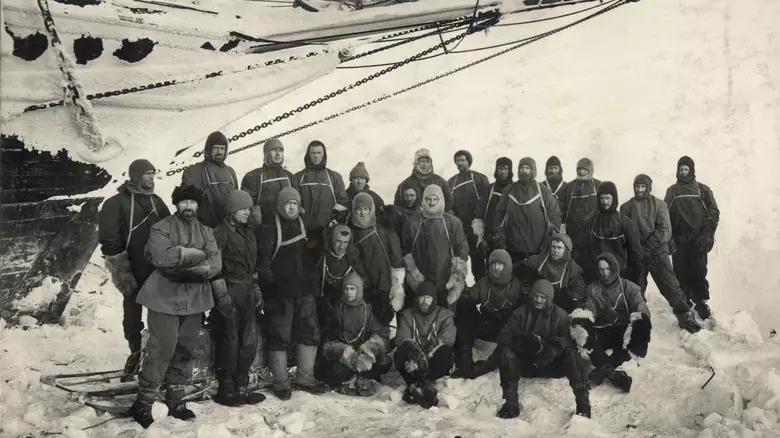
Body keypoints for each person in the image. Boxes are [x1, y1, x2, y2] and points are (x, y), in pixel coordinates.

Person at [129, 185, 224, 428]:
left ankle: (176, 400)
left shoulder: (206, 232)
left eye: (193, 202)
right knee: (161, 349)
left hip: (194, 300)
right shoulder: (161, 228)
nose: (189, 207)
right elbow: (162, 257)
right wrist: (196, 258)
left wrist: (182, 261)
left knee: (185, 349)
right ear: (176, 204)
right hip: (163, 297)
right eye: (184, 202)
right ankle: (143, 403)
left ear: (198, 205)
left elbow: (214, 264)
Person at [99, 159, 170, 378]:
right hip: (132, 268)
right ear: (136, 176)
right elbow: (109, 241)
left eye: (153, 173)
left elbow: (171, 230)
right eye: (147, 173)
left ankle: (156, 358)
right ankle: (135, 352)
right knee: (132, 312)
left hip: (156, 270)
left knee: (160, 314)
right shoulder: (115, 204)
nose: (151, 177)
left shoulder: (157, 202)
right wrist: (122, 270)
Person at [257, 187, 328, 400]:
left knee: (310, 331)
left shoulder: (304, 225)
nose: (291, 207)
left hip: (304, 289)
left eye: (295, 204)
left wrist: (313, 284)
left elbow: (314, 256)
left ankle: (305, 377)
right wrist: (271, 290)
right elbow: (264, 264)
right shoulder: (270, 228)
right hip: (281, 292)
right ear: (280, 205)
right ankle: (280, 382)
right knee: (280, 335)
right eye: (288, 203)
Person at [495, 279, 591, 419]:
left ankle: (583, 405)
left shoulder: (560, 315)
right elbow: (503, 336)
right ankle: (511, 403)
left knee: (572, 355)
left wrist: (551, 347)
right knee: (506, 353)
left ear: (549, 299)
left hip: (552, 364)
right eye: (536, 296)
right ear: (531, 296)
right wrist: (521, 342)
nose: (538, 300)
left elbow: (568, 341)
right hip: (527, 364)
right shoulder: (520, 313)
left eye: (543, 297)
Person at [620, 174, 701, 333]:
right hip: (636, 254)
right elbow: (625, 231)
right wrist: (636, 249)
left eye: (643, 187)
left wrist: (648, 246)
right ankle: (638, 318)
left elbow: (665, 230)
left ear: (649, 188)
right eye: (637, 186)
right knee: (635, 287)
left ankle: (685, 314)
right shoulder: (626, 208)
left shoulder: (659, 205)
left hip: (657, 253)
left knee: (669, 284)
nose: (640, 190)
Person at [212, 190, 266, 407]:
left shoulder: (249, 233)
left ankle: (242, 387)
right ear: (231, 210)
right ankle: (226, 389)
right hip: (230, 290)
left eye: (248, 208)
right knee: (231, 339)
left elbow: (253, 267)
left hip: (247, 290)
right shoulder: (220, 234)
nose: (247, 212)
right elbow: (214, 268)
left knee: (249, 340)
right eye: (242, 209)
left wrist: (256, 288)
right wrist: (221, 295)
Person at [571, 253, 652, 394]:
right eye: (601, 269)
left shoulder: (629, 287)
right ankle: (612, 373)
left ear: (614, 268)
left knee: (637, 331)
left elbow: (640, 306)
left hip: (622, 330)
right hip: (603, 330)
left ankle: (602, 370)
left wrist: (639, 317)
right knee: (585, 333)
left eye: (608, 269)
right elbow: (590, 310)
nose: (605, 273)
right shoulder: (593, 289)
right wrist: (586, 319)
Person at [452, 249, 525, 379]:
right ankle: (465, 359)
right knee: (464, 305)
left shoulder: (516, 284)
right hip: (487, 326)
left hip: (507, 329)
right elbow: (470, 296)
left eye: (500, 264)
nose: (496, 267)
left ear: (507, 266)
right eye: (493, 264)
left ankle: (494, 362)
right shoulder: (484, 282)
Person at [316, 272, 391, 396]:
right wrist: (343, 351)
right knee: (336, 371)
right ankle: (352, 377)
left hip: (364, 356)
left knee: (385, 362)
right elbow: (328, 337)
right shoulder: (337, 308)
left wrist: (368, 350)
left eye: (352, 289)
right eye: (346, 288)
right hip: (345, 357)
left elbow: (381, 334)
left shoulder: (368, 309)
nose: (348, 292)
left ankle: (361, 376)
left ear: (359, 290)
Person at [664, 156, 720, 320]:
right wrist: (670, 237)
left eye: (686, 169)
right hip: (679, 240)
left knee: (699, 271)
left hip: (698, 240)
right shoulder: (672, 191)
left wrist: (707, 234)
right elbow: (664, 216)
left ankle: (701, 302)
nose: (683, 172)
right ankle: (683, 304)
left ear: (692, 170)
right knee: (680, 272)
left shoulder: (702, 190)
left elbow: (713, 213)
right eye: (680, 169)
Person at [402, 185, 469, 307]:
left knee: (447, 312)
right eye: (428, 199)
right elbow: (405, 249)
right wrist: (412, 271)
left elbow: (461, 247)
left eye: (435, 199)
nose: (431, 203)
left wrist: (457, 272)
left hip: (447, 276)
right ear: (423, 200)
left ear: (441, 200)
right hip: (422, 275)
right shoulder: (413, 223)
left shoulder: (453, 222)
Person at [394, 281, 456, 409]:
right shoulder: (407, 315)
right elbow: (402, 338)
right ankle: (415, 384)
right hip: (412, 363)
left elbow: (447, 338)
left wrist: (425, 356)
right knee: (401, 351)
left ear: (434, 299)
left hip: (432, 361)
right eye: (421, 297)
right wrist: (416, 356)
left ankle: (425, 383)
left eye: (428, 297)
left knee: (445, 352)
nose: (424, 301)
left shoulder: (444, 315)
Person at [494, 157, 561, 273]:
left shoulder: (542, 190)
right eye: (522, 168)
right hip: (513, 248)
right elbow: (499, 215)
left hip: (537, 249)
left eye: (527, 168)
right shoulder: (509, 190)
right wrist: (500, 236)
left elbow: (554, 215)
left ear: (533, 170)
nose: (524, 171)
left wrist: (550, 239)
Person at [350, 193, 405, 324]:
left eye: (366, 209)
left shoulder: (382, 229)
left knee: (385, 316)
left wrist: (397, 281)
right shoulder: (352, 232)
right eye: (359, 209)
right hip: (365, 282)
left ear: (371, 210)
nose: (362, 213)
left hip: (384, 280)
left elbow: (395, 254)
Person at [294, 140, 350, 255]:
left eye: (319, 153)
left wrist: (335, 220)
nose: (315, 156)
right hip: (304, 233)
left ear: (324, 155)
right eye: (313, 153)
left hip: (327, 232)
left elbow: (343, 201)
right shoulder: (298, 178)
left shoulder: (334, 177)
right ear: (308, 155)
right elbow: (292, 202)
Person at [586, 181, 643, 285]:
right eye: (602, 198)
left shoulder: (624, 221)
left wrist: (631, 275)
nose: (604, 202)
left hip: (620, 272)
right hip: (599, 271)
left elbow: (635, 251)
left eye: (607, 198)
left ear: (614, 199)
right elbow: (588, 247)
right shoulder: (593, 221)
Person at [448, 150, 491, 280]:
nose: (460, 163)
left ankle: (482, 292)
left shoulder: (480, 178)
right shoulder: (451, 182)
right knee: (459, 264)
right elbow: (448, 206)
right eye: (458, 160)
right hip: (460, 229)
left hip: (476, 229)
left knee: (479, 264)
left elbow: (486, 202)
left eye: (463, 160)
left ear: (469, 161)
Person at [182, 131, 239, 228]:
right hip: (205, 228)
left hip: (228, 229)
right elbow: (189, 204)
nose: (219, 152)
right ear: (208, 150)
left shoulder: (230, 172)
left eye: (222, 148)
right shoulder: (195, 171)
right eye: (216, 148)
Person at [316, 223, 367, 330]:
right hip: (323, 301)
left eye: (345, 242)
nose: (341, 246)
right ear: (332, 240)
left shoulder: (352, 257)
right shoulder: (322, 256)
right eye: (338, 241)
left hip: (344, 300)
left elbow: (363, 280)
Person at [521, 233, 587, 313]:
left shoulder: (573, 270)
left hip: (558, 307)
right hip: (536, 301)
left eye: (559, 248)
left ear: (566, 250)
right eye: (553, 247)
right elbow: (523, 277)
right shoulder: (538, 260)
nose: (555, 251)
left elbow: (577, 294)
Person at [559, 158, 601, 270]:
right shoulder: (569, 187)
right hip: (574, 235)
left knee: (592, 266)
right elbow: (561, 208)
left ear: (590, 171)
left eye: (585, 169)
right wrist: (562, 225)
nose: (581, 172)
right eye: (579, 169)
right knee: (574, 267)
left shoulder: (598, 186)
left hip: (592, 234)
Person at [240, 138, 293, 225]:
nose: (278, 153)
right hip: (264, 226)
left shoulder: (289, 176)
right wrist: (255, 213)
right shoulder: (254, 177)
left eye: (280, 150)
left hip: (286, 224)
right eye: (274, 150)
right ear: (266, 153)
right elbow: (245, 204)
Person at [394, 148, 453, 213]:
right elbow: (398, 207)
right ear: (416, 162)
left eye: (427, 161)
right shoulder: (404, 185)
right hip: (413, 220)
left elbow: (449, 202)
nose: (425, 164)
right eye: (422, 161)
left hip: (436, 219)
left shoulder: (440, 182)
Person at [476, 157, 513, 255]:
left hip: (510, 238)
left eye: (506, 169)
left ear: (510, 170)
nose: (503, 172)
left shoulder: (515, 189)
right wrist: (481, 237)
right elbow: (480, 213)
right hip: (490, 237)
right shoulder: (489, 189)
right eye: (500, 169)